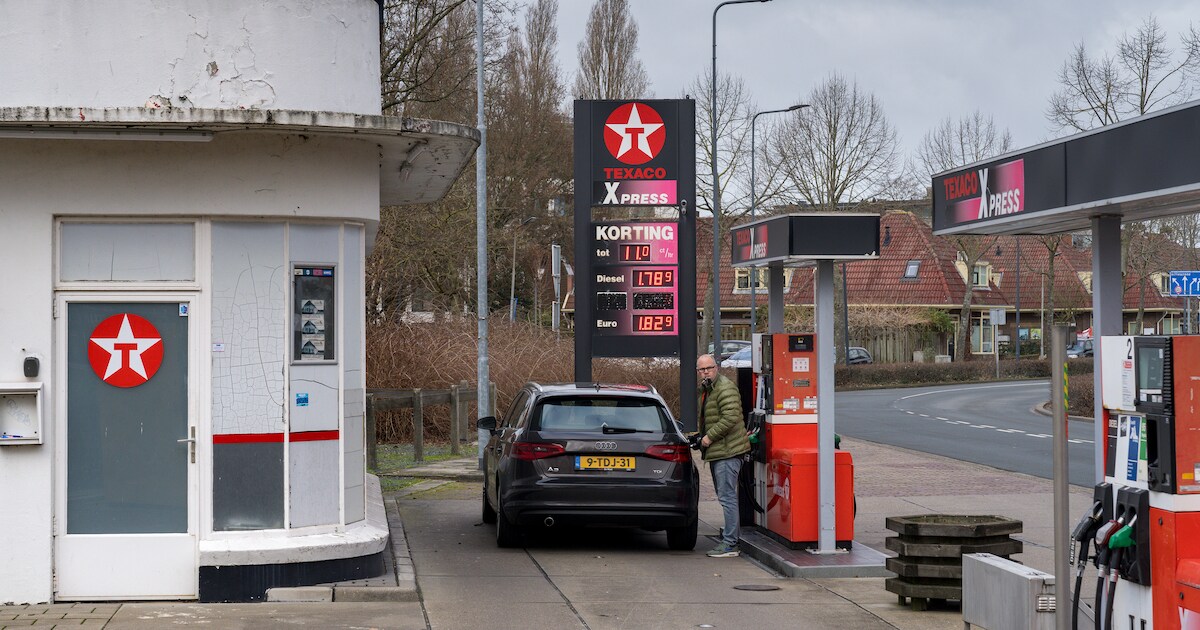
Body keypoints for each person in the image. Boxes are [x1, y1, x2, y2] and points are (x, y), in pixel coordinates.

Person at [694, 353, 750, 558]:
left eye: (709, 368)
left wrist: (708, 438)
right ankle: (730, 539)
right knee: (726, 496)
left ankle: (730, 544)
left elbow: (731, 417)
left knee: (727, 498)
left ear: (716, 367)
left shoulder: (724, 387)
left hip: (728, 451)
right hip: (722, 451)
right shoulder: (710, 388)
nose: (705, 372)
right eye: (702, 369)